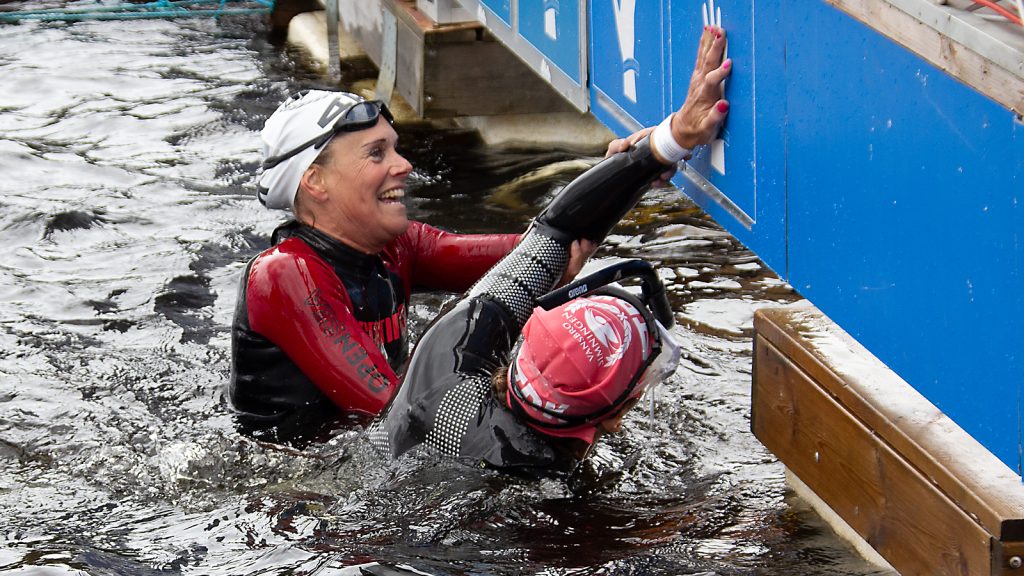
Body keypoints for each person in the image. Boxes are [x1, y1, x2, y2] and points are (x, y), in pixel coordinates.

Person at [366, 25, 732, 474]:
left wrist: (667, 144)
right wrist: (664, 146)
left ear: (524, 340)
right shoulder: (561, 492)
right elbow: (558, 232)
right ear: (617, 417)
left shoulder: (447, 359)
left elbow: (555, 231)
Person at [230, 88, 525, 441]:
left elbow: (537, 254)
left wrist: (609, 176)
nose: (404, 165)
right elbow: (397, 415)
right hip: (293, 478)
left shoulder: (399, 247)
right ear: (315, 181)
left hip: (369, 448)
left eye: (395, 149)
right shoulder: (283, 274)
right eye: (376, 153)